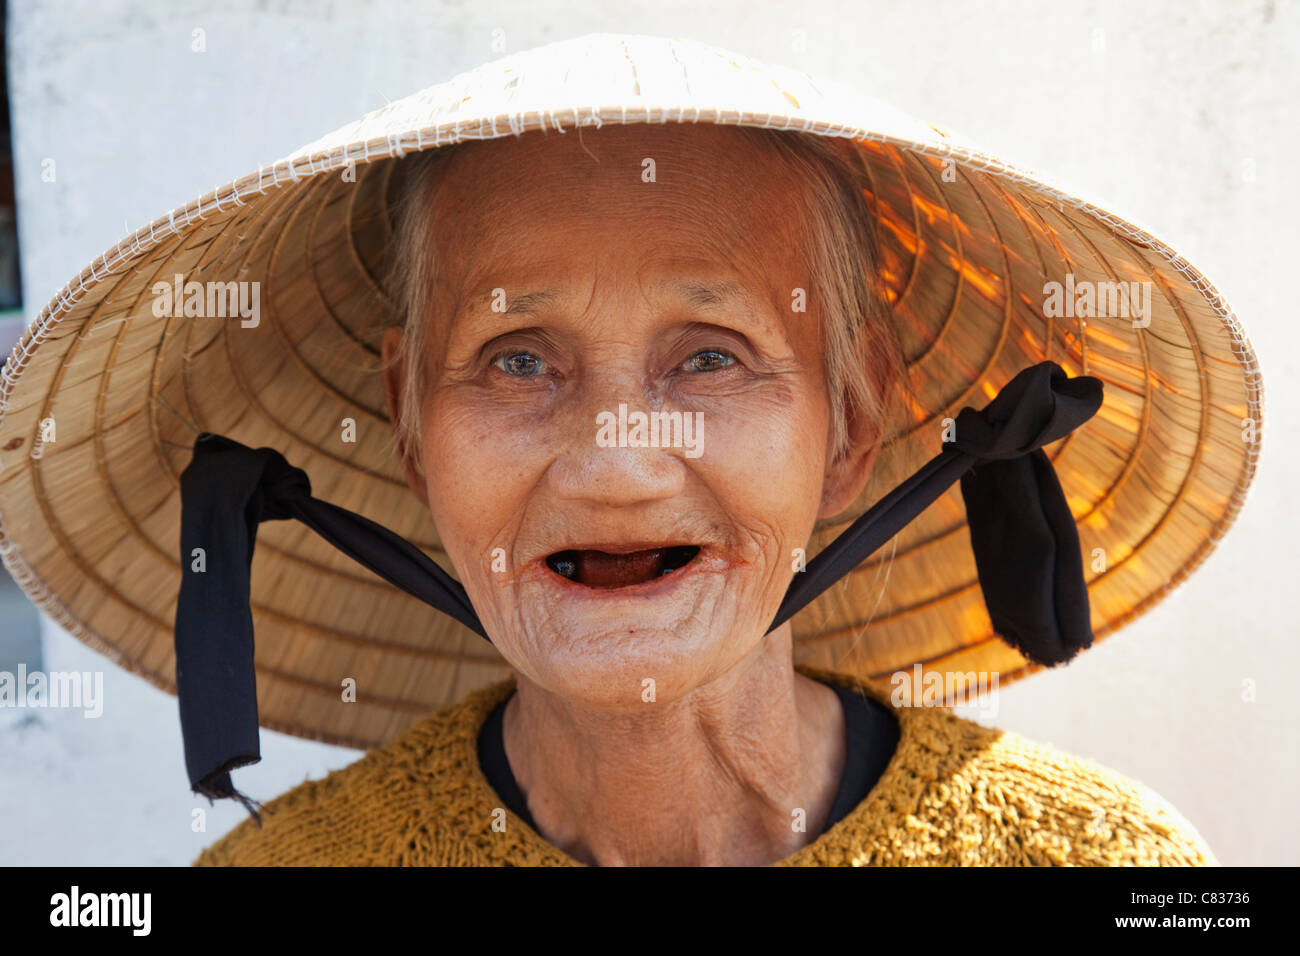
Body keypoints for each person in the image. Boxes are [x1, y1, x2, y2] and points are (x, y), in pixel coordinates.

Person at [0, 35, 1259, 867]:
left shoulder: (1095, 864)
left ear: (852, 425)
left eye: (709, 355)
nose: (614, 465)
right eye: (517, 359)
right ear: (406, 420)